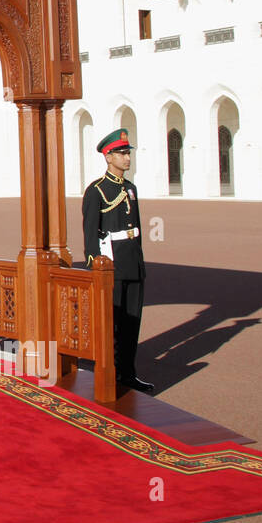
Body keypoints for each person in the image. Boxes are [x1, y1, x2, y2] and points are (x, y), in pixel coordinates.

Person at [83, 128, 152, 394]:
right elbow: (91, 233)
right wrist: (95, 266)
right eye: (122, 153)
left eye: (127, 153)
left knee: (132, 321)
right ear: (108, 156)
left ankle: (128, 373)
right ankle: (109, 372)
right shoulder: (97, 191)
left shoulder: (130, 189)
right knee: (112, 321)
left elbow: (137, 230)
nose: (127, 158)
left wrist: (140, 262)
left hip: (133, 262)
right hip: (111, 264)